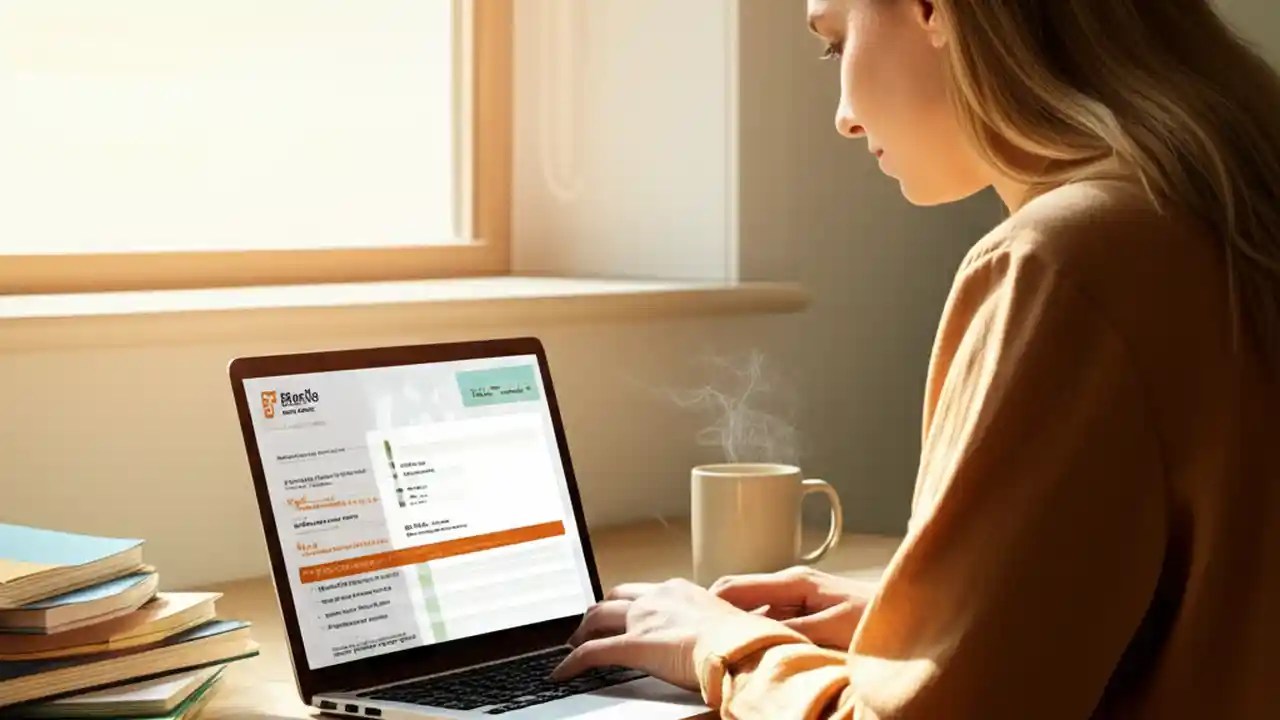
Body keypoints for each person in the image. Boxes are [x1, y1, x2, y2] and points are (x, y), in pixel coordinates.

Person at [550, 0, 1280, 717]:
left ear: (934, 9)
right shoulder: (1219, 214)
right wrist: (929, 623)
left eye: (836, 42)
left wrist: (723, 646)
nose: (844, 118)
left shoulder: (1064, 260)